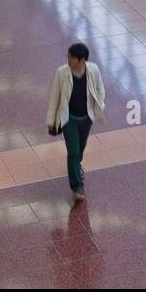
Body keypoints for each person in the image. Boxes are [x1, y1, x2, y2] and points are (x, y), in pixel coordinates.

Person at [45, 43, 106, 203]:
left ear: (81, 60)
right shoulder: (61, 73)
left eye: (71, 57)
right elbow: (54, 97)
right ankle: (76, 187)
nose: (68, 59)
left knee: (80, 148)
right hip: (68, 119)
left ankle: (76, 166)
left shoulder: (93, 70)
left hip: (86, 118)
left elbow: (100, 90)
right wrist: (51, 120)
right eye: (68, 56)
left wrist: (99, 106)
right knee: (73, 151)